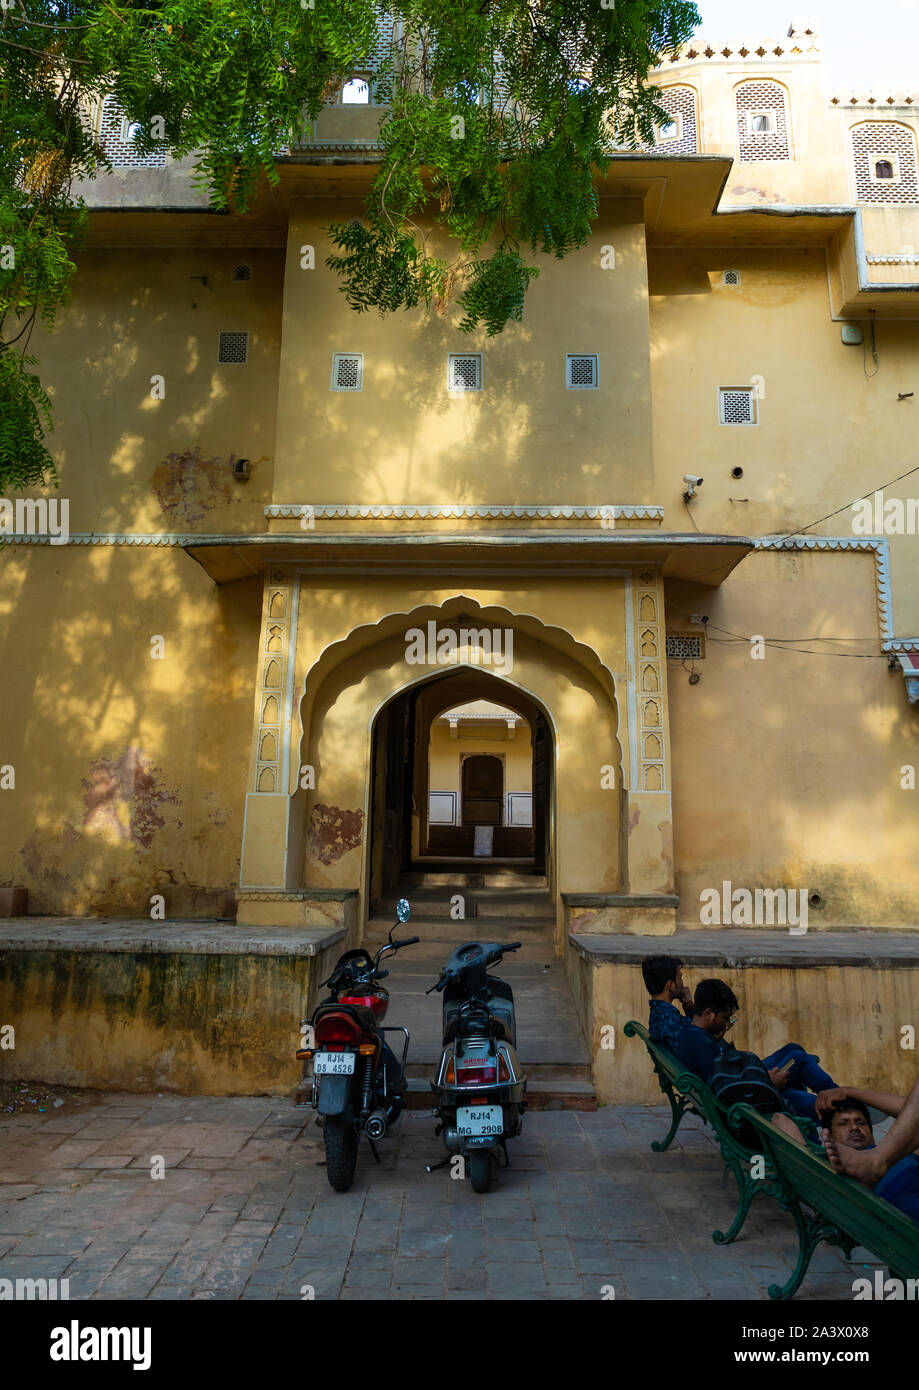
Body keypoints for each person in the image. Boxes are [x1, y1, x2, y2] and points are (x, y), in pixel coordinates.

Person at [673, 977, 839, 1122]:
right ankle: (840, 1099)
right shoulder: (701, 1045)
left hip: (746, 1081)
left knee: (794, 1051)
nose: (727, 1023)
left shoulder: (694, 1034)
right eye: (724, 1018)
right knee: (801, 1063)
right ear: (709, 1014)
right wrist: (768, 1082)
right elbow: (726, 1091)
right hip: (751, 1100)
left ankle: (834, 1096)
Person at [817, 1083, 919, 1222]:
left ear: (871, 1133)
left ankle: (877, 1161)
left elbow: (912, 1115)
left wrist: (849, 1091)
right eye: (843, 1124)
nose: (854, 1127)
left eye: (861, 1123)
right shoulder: (834, 1167)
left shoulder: (900, 1150)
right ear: (831, 1137)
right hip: (897, 1202)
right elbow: (781, 1120)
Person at [641, 954, 693, 1053]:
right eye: (680, 978)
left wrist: (688, 1006)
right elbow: (699, 1036)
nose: (682, 983)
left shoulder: (659, 1013)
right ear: (671, 985)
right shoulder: (669, 1019)